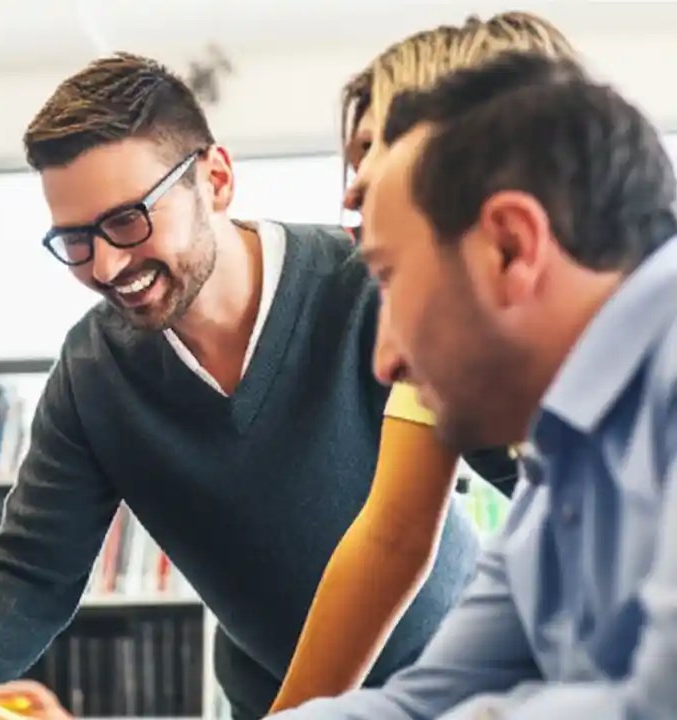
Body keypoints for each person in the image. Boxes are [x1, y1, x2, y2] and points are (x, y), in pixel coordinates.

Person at [0, 51, 490, 719]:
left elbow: (414, 526)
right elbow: (30, 569)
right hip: (274, 697)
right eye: (74, 241)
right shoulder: (93, 371)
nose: (106, 265)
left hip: (459, 683)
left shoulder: (367, 286)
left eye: (128, 220)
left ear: (215, 179)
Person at [273, 51, 677, 719]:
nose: (385, 363)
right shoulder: (560, 461)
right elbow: (418, 705)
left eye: (391, 280)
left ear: (511, 248)